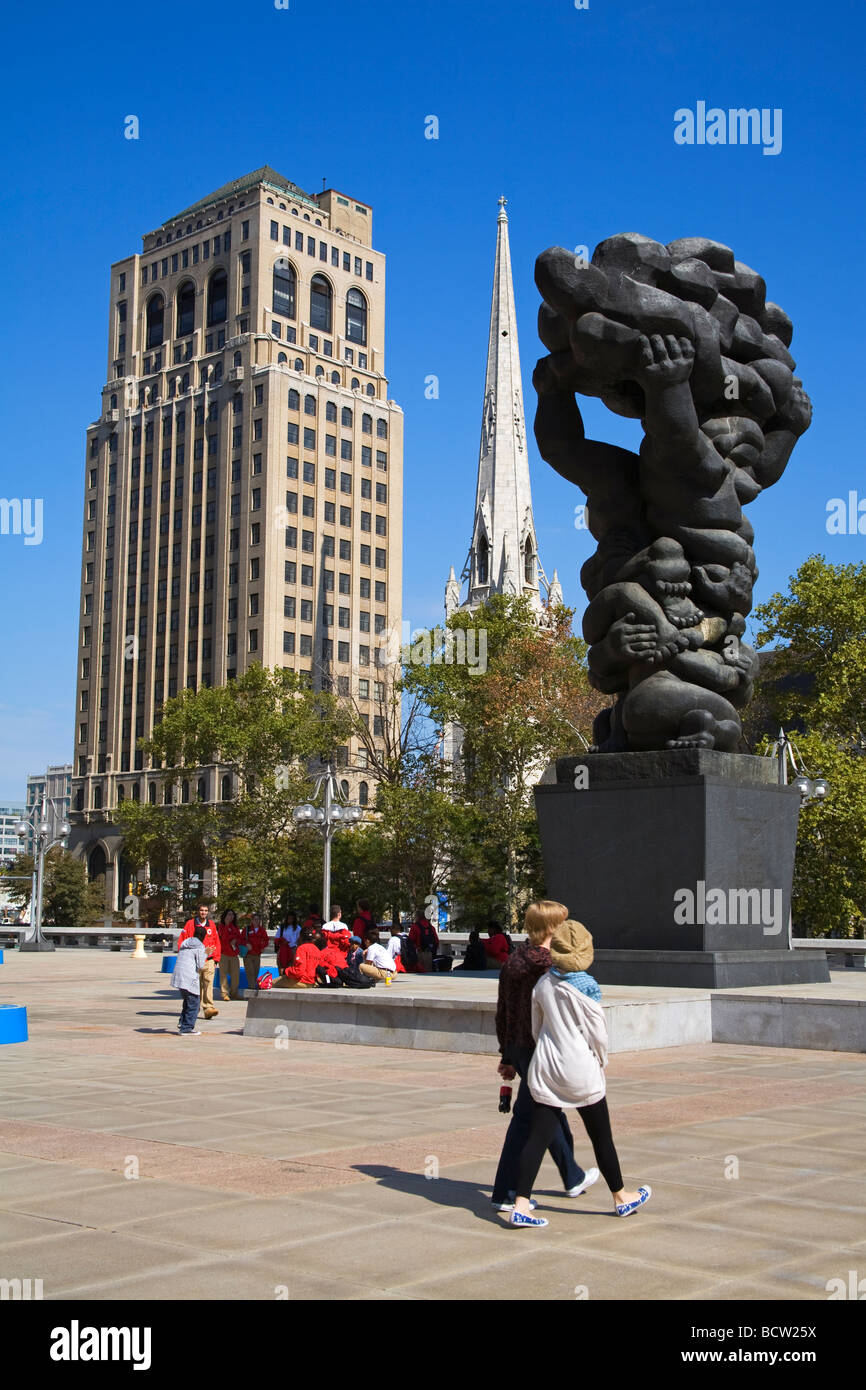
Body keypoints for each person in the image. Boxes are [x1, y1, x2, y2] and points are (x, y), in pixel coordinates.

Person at [510, 919, 651, 1228]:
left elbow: (536, 1027)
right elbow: (598, 1035)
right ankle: (620, 1196)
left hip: (547, 1067)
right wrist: (601, 1060)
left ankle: (520, 1203)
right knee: (602, 1137)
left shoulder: (543, 984)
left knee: (537, 1137)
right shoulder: (588, 988)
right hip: (580, 1069)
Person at [491, 900, 595, 1211]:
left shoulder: (514, 962)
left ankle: (572, 1175)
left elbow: (503, 1013)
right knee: (528, 1120)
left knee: (548, 1113)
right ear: (552, 927)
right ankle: (507, 1194)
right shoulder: (553, 966)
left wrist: (507, 1056)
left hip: (522, 1050)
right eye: (564, 921)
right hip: (545, 1049)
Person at [177, 903, 221, 1019]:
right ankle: (194, 1009)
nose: (204, 913)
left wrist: (216, 959)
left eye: (206, 910)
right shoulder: (190, 924)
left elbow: (216, 942)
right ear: (198, 911)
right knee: (195, 985)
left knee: (208, 984)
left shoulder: (211, 925)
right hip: (194, 961)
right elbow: (182, 942)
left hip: (209, 960)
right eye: (202, 910)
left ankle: (208, 1008)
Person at [171, 924, 206, 1035]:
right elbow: (200, 965)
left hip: (179, 976)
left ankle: (182, 1022)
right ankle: (186, 1028)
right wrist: (207, 953)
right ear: (203, 936)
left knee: (187, 1001)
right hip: (189, 976)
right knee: (194, 1004)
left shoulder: (185, 943)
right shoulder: (200, 946)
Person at [217, 908, 243, 1002]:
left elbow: (240, 938)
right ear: (225, 916)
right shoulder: (221, 926)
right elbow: (223, 937)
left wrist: (236, 940)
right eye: (228, 914)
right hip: (224, 953)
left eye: (232, 915)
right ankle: (224, 993)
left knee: (235, 974)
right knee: (223, 974)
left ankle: (234, 993)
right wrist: (227, 926)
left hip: (234, 954)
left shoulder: (235, 927)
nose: (230, 916)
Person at [243, 912, 270, 992]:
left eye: (258, 920)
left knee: (255, 971)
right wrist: (246, 944)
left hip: (257, 954)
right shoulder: (247, 929)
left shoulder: (262, 930)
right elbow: (240, 939)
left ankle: (252, 987)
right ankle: (252, 988)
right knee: (250, 971)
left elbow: (266, 940)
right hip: (248, 954)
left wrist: (262, 947)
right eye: (255, 919)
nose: (256, 921)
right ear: (252, 920)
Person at [408, 909, 438, 973]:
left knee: (421, 970)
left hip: (419, 952)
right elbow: (436, 941)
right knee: (429, 971)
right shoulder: (431, 927)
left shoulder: (415, 927)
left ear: (417, 917)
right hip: (430, 953)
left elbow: (410, 941)